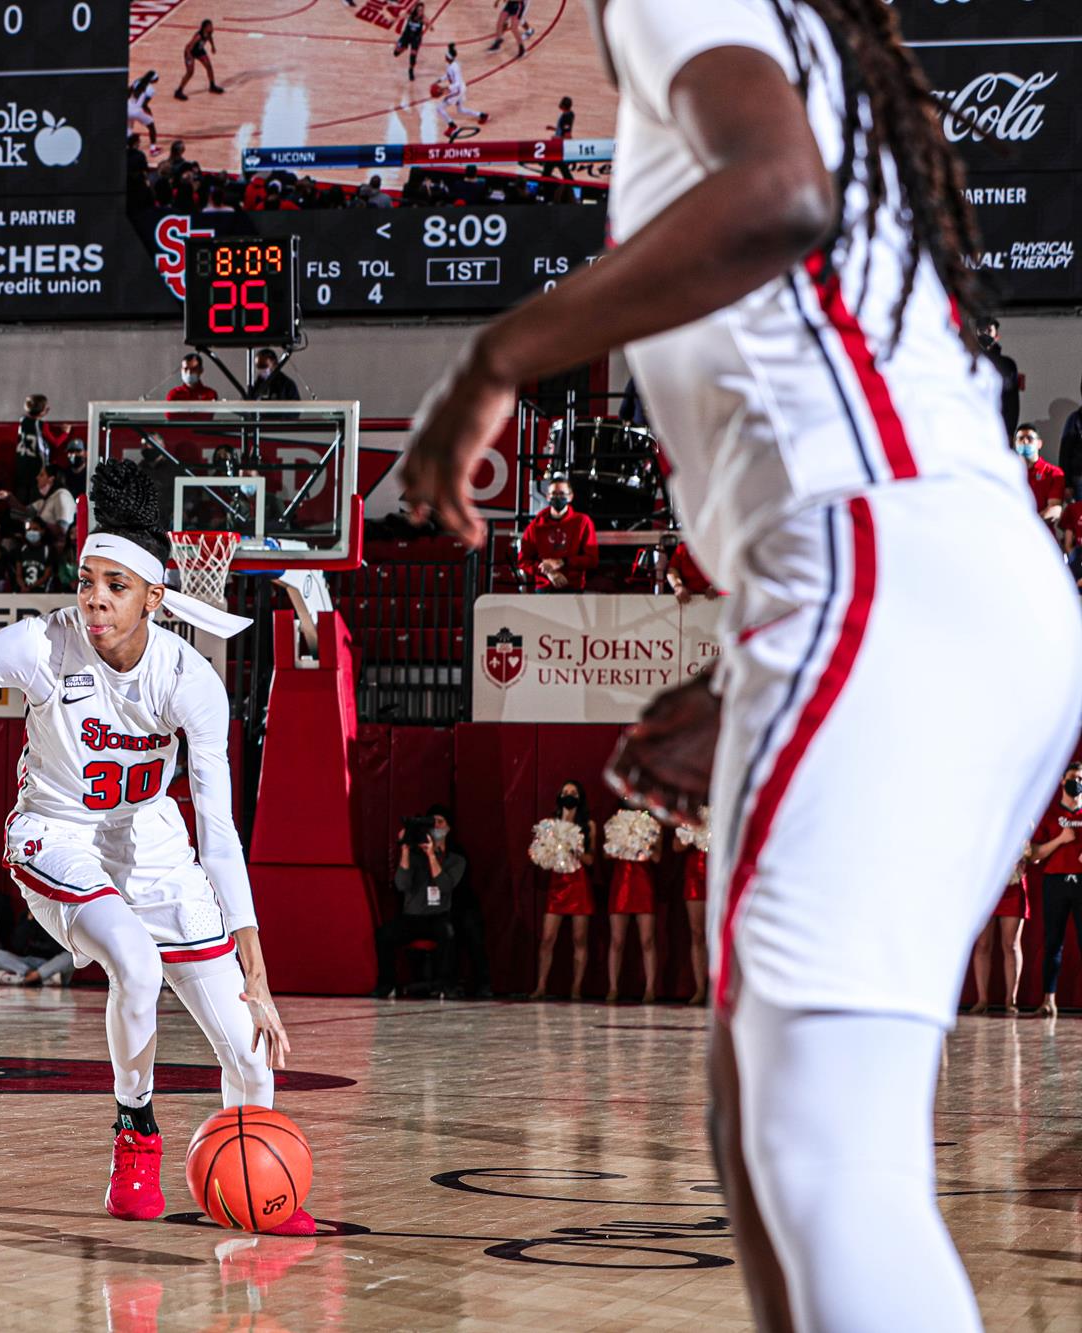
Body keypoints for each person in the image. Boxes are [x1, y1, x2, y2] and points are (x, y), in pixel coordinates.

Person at [401, 3, 1082, 1326]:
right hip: (935, 583)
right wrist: (757, 681)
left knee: (831, 1164)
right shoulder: (807, 47)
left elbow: (779, 199)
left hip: (884, 576)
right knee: (756, 1129)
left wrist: (497, 358)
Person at [0, 459, 307, 1233]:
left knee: (249, 1051)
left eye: (116, 585)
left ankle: (253, 1194)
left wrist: (258, 972)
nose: (96, 598)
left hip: (154, 845)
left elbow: (218, 828)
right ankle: (135, 1131)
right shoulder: (44, 645)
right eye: (86, 580)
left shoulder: (188, 679)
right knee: (135, 962)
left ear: (154, 596)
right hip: (57, 833)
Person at [371, 812, 463, 999]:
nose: (436, 826)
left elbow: (444, 886)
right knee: (384, 934)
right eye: (433, 822)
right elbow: (401, 885)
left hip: (438, 915)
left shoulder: (456, 860)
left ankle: (444, 985)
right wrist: (405, 849)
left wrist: (431, 855)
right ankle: (386, 985)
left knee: (448, 934)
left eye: (440, 822)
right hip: (412, 917)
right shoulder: (413, 857)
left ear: (448, 827)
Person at [529, 782, 595, 1002]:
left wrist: (574, 847)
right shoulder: (549, 825)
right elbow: (538, 856)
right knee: (547, 937)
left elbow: (590, 859)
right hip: (557, 884)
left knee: (579, 938)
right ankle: (541, 985)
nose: (568, 796)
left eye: (573, 793)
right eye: (565, 792)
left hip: (578, 884)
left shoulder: (588, 826)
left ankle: (576, 987)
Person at [1029, 765, 1082, 1019]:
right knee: (1053, 943)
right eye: (1073, 779)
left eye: (1081, 779)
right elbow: (1034, 855)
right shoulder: (1050, 814)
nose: (1077, 783)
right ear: (1062, 781)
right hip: (1055, 883)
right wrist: (1060, 840)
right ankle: (1048, 1001)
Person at [603, 798, 663, 1005]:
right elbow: (606, 853)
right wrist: (622, 841)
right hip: (621, 885)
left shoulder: (653, 823)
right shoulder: (615, 821)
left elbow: (657, 858)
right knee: (617, 940)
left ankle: (650, 988)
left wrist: (643, 843)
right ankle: (613, 987)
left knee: (647, 940)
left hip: (643, 884)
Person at [970, 848, 1031, 1017]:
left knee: (1010, 944)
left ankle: (1010, 1000)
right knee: (982, 944)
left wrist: (1024, 854)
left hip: (1012, 885)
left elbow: (1031, 853)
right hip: (984, 887)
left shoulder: (1020, 822)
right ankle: (982, 1000)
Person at [516, 476, 598, 591]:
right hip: (544, 588)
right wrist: (548, 571)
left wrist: (563, 562)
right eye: (554, 493)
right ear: (547, 497)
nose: (558, 497)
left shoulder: (583, 522)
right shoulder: (536, 525)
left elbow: (592, 559)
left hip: (573, 587)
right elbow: (523, 561)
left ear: (570, 496)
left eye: (562, 493)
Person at [0, 907, 76, 987]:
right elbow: (17, 945)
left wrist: (44, 921)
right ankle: (42, 978)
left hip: (50, 963)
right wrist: (29, 921)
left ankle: (23, 979)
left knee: (71, 957)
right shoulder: (26, 917)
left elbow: (59, 947)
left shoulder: (56, 918)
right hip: (26, 963)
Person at [978, 317, 1022, 441]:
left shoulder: (1007, 365)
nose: (985, 334)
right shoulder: (967, 362)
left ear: (996, 336)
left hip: (998, 429)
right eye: (981, 330)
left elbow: (1012, 402)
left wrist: (1009, 431)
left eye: (989, 330)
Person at [1016, 427, 1065, 527]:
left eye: (1029, 438)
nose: (1025, 442)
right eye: (1020, 438)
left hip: (1040, 535)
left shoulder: (1053, 473)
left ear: (1039, 444)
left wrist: (1027, 526)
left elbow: (1054, 509)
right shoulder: (1007, 472)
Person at [439, 45, 489, 140]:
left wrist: (446, 88)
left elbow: (457, 83)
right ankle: (483, 115)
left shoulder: (454, 67)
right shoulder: (450, 65)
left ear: (448, 57)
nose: (444, 56)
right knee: (460, 110)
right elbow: (447, 75)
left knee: (439, 108)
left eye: (445, 55)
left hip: (457, 90)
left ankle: (452, 126)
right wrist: (439, 80)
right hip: (460, 89)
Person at [173, 19, 222, 101]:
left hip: (199, 51)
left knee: (209, 66)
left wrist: (213, 46)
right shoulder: (198, 36)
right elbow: (189, 46)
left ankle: (212, 86)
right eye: (210, 26)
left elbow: (210, 38)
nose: (212, 27)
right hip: (190, 52)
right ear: (205, 27)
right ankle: (178, 91)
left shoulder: (209, 33)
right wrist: (188, 56)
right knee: (190, 72)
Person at [13, 518, 56, 593]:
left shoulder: (48, 550)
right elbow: (18, 574)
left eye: (35, 529)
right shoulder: (21, 549)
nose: (31, 532)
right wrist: (23, 586)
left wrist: (31, 587)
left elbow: (46, 576)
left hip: (42, 592)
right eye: (29, 529)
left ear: (42, 531)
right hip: (23, 592)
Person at [394, 4, 426, 84]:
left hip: (416, 38)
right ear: (416, 10)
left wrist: (428, 29)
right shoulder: (410, 16)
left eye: (422, 10)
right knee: (396, 53)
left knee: (413, 57)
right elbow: (401, 15)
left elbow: (429, 25)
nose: (421, 12)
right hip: (406, 35)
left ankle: (411, 70)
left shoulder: (423, 19)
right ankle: (405, 47)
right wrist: (400, 15)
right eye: (419, 10)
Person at [128, 70, 159, 150]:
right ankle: (153, 148)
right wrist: (149, 112)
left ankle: (128, 147)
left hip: (127, 107)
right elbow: (144, 105)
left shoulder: (136, 81)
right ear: (153, 80)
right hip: (137, 111)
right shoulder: (151, 90)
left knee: (129, 128)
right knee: (151, 127)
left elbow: (128, 93)